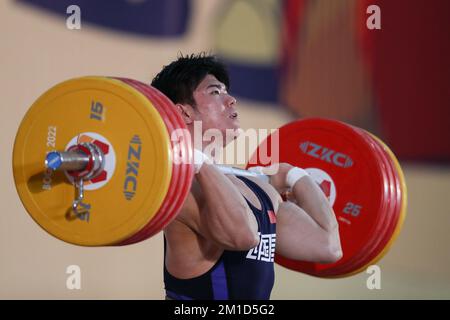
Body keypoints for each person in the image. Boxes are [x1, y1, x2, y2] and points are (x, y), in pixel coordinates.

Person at [151, 53, 342, 300]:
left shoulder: (258, 188)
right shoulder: (181, 187)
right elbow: (243, 236)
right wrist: (194, 157)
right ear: (184, 114)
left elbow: (328, 245)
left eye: (226, 91)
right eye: (215, 92)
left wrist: (294, 174)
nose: (231, 100)